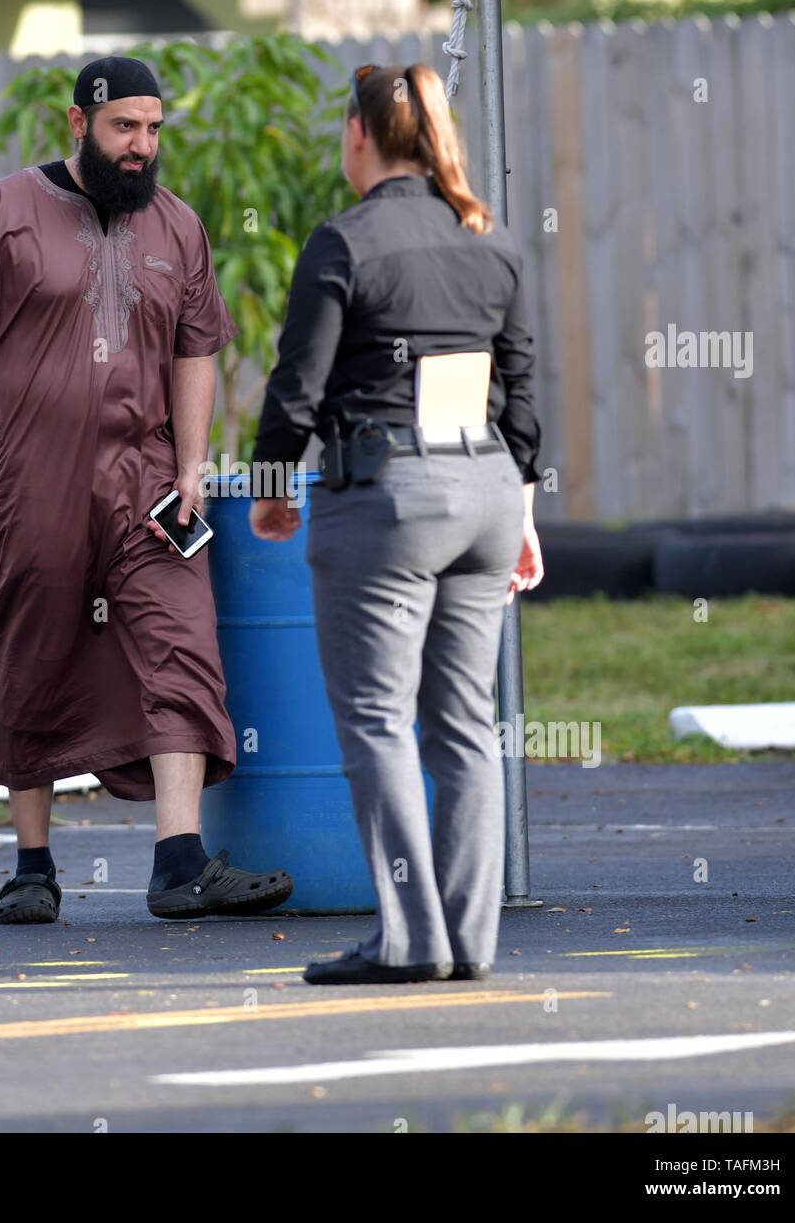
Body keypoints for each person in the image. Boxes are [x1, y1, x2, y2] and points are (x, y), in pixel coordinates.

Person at [0, 55, 293, 926]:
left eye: (153, 129)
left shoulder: (178, 226)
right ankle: (32, 867)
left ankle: (179, 864)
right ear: (79, 124)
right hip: (24, 484)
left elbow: (196, 349)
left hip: (144, 485)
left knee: (182, 641)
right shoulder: (2, 213)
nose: (142, 146)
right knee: (23, 658)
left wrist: (191, 464)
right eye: (124, 128)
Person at [248, 62, 543, 985]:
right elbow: (521, 392)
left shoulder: (344, 242)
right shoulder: (489, 239)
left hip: (386, 499)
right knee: (465, 724)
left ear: (359, 135)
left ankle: (410, 940)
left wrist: (270, 487)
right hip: (486, 492)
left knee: (377, 719)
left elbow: (295, 387)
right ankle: (469, 940)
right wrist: (523, 511)